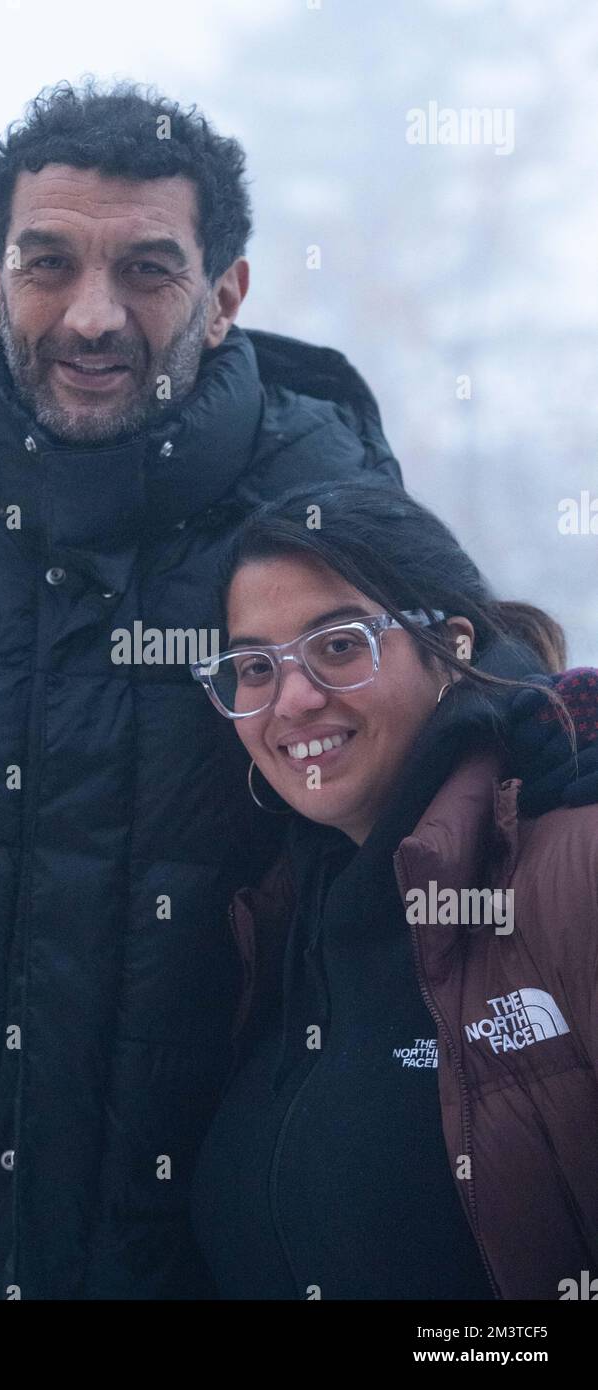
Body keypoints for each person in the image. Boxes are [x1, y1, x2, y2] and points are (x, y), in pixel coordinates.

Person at [0, 79, 589, 1302]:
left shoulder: (312, 514)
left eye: (146, 270)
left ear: (225, 293)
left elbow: (486, 736)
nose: (93, 315)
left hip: (186, 1254)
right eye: (47, 263)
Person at [188, 476, 598, 1300]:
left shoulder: (572, 875)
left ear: (449, 648)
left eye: (339, 645)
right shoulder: (279, 924)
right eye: (255, 667)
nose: (293, 701)